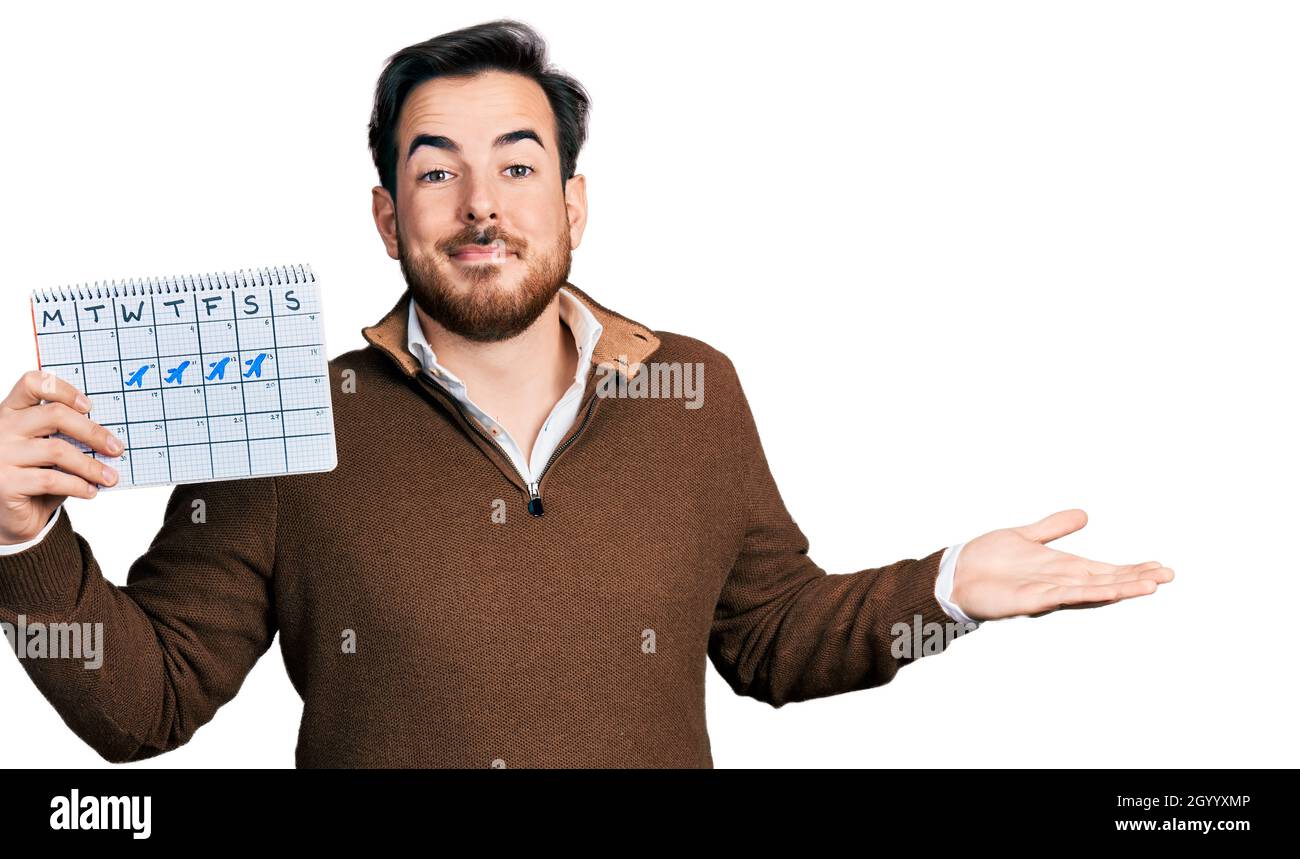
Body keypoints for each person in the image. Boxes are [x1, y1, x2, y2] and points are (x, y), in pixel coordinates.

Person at [0, 18, 1173, 768]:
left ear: (571, 202)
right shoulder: (284, 422)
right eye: (436, 170)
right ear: (384, 216)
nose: (480, 206)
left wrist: (944, 590)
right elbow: (139, 710)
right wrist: (22, 539)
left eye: (516, 166)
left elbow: (768, 641)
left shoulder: (692, 391)